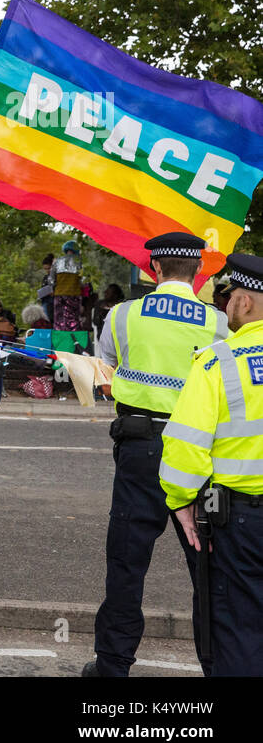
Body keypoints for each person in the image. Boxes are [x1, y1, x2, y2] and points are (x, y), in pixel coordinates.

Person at [82, 232, 228, 677]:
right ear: (197, 273)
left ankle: (112, 666)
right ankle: (217, 664)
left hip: (140, 449)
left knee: (127, 561)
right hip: (200, 455)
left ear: (155, 269)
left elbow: (102, 370)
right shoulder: (219, 324)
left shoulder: (123, 314)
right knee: (205, 564)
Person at [159, 252, 263, 675]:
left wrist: (181, 502)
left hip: (241, 521)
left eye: (231, 295)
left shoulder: (219, 362)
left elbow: (185, 447)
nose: (227, 305)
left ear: (246, 302)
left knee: (236, 628)